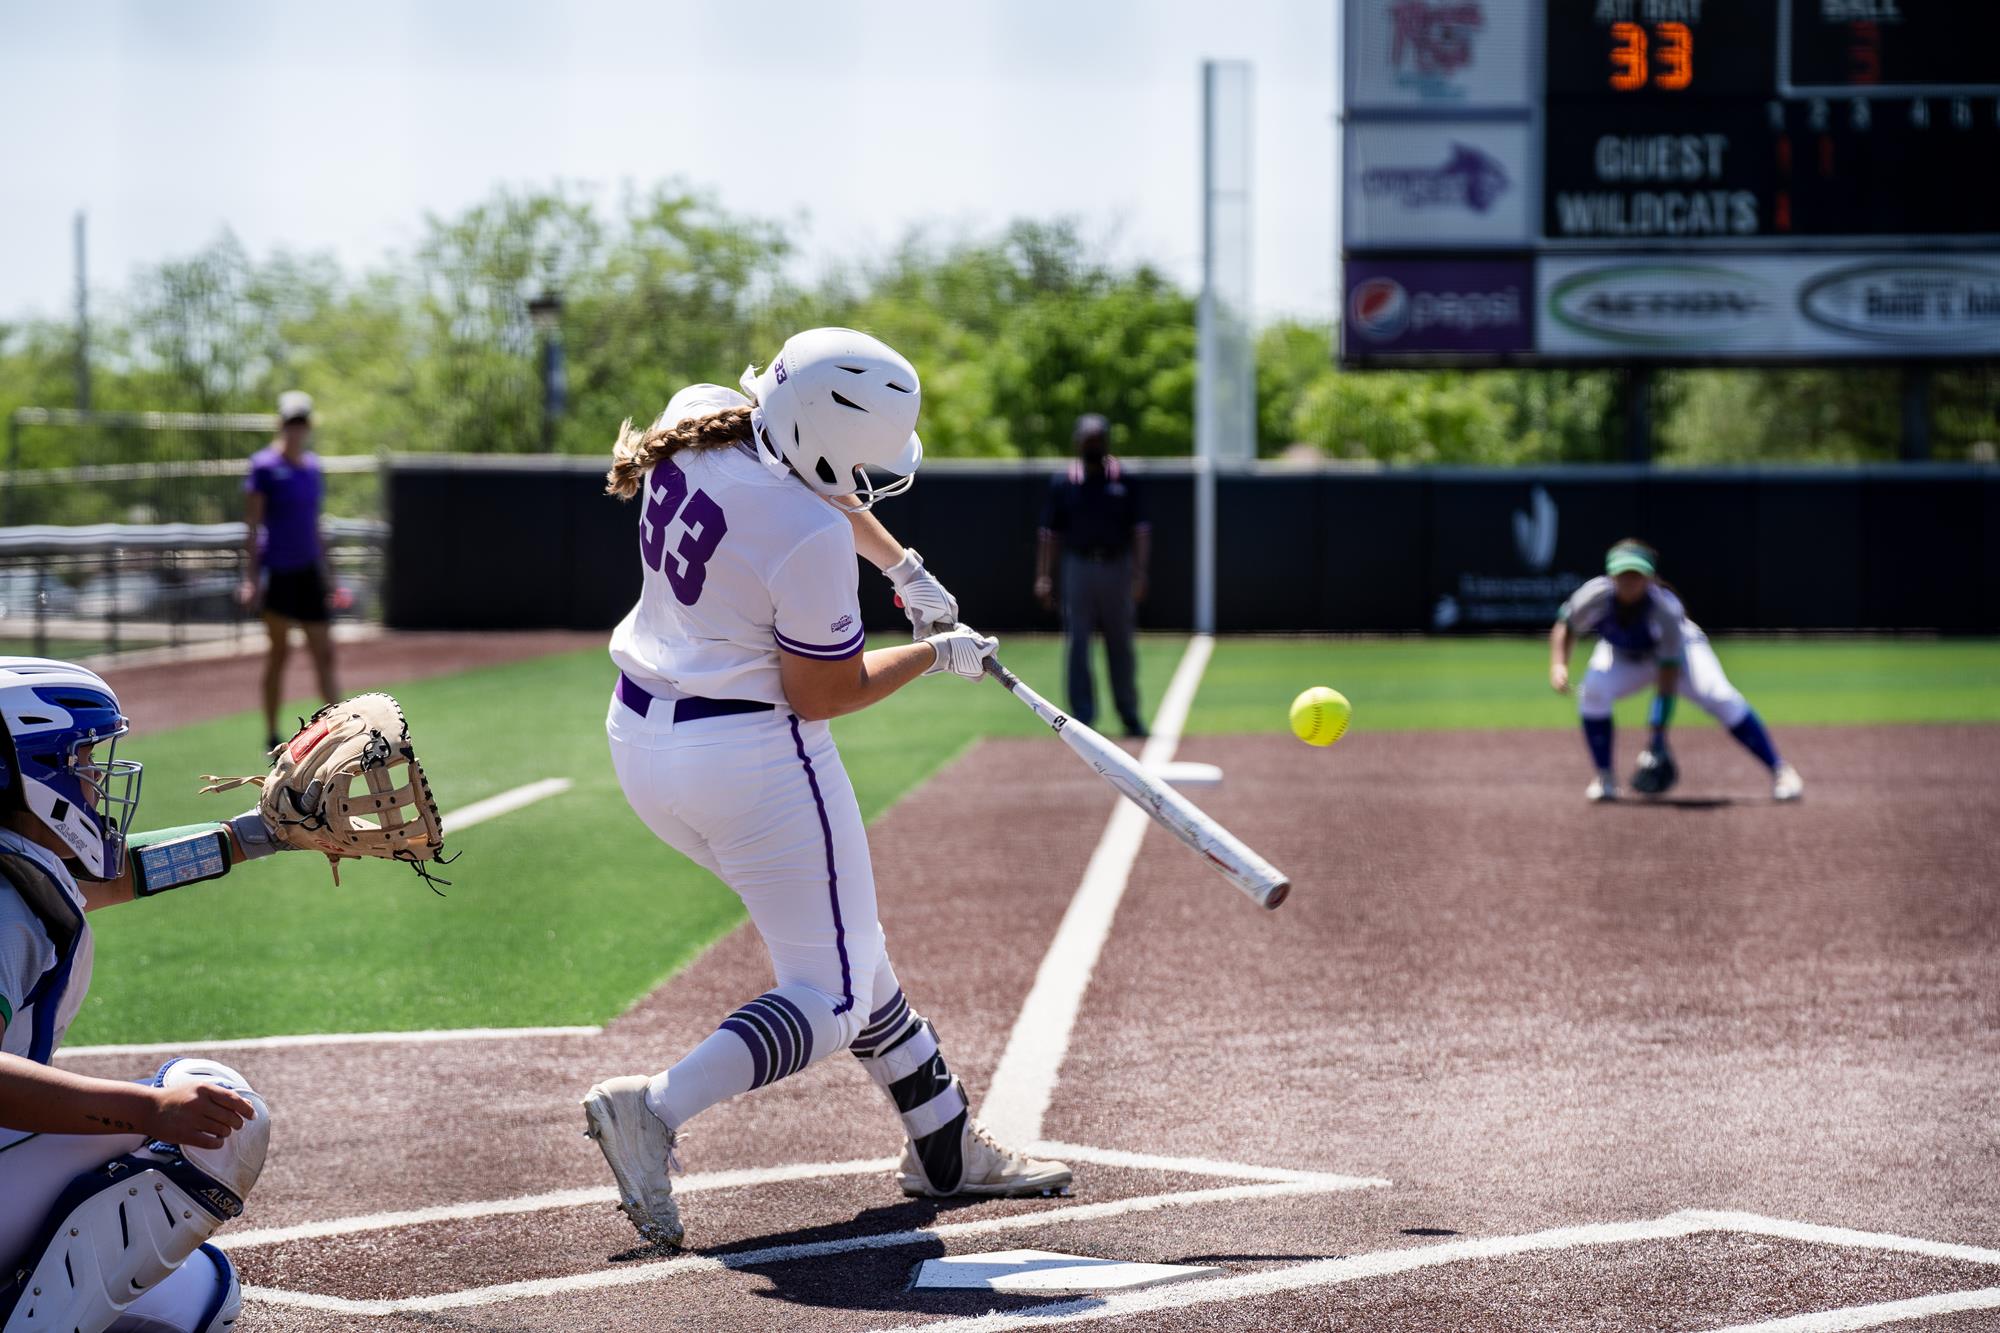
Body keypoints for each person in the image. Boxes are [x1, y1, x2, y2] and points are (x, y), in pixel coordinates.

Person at [580, 328, 1070, 1250]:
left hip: (641, 740)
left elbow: (813, 482)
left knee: (847, 944)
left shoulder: (699, 415)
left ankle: (944, 1143)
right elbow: (825, 692)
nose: (869, 480)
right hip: (751, 758)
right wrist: (935, 654)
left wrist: (902, 567)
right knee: (832, 991)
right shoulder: (804, 537)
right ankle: (653, 1105)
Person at [0, 656, 297, 1332]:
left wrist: (259, 834)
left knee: (199, 1299)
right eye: (79, 756)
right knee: (228, 1113)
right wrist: (149, 1107)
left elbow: (123, 872)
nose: (95, 775)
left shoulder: (17, 870)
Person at [1549, 540, 1804, 803]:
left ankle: (1781, 770)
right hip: (1623, 654)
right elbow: (1565, 626)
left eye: (1636, 575)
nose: (1629, 581)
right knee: (1593, 690)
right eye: (1623, 575)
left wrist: (1657, 737)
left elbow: (1667, 676)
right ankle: (1605, 777)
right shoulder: (1595, 596)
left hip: (1682, 654)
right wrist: (1559, 665)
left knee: (1719, 695)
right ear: (1611, 576)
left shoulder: (1665, 610)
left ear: (1650, 578)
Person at [1034, 414, 1152, 738]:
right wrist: (1044, 576)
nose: (1093, 447)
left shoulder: (1124, 480)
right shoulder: (1064, 482)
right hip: (1078, 568)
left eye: (1098, 441)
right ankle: (1082, 719)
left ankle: (1129, 715)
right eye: (1088, 441)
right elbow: (1049, 533)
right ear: (1077, 443)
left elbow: (1140, 531)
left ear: (1107, 442)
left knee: (1121, 644)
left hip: (1117, 567)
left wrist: (1140, 574)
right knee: (1078, 643)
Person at [237, 390, 339, 754]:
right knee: (279, 653)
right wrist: (250, 577)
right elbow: (252, 525)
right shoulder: (264, 466)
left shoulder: (312, 468)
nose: (297, 429)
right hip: (278, 571)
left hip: (309, 570)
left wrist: (328, 572)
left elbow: (315, 523)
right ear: (281, 424)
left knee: (324, 652)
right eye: (291, 422)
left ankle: (337, 726)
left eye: (302, 422)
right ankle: (271, 732)